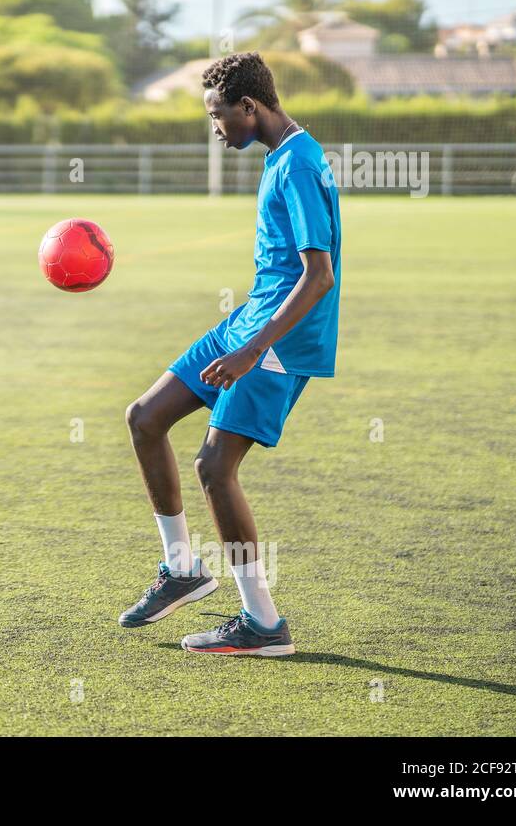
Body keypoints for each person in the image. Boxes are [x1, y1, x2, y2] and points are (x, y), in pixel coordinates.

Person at [120, 51, 341, 656]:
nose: (216, 129)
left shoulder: (297, 164)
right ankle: (182, 569)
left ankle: (263, 625)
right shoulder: (283, 155)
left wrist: (251, 350)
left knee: (215, 468)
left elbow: (317, 276)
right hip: (248, 321)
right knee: (145, 417)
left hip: (276, 342)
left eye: (218, 116)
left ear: (249, 107)